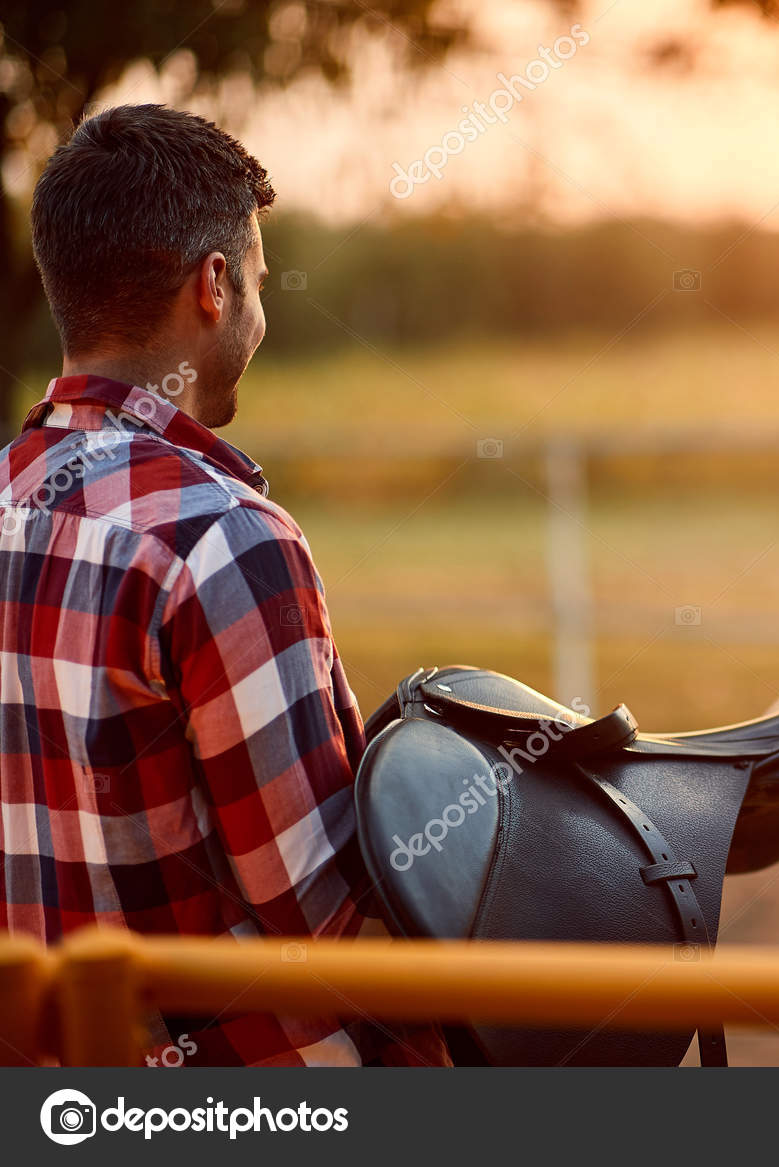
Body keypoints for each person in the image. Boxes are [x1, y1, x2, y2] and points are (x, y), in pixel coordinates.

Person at [0, 104, 445, 1066]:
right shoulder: (221, 539)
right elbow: (317, 912)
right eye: (257, 281)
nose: (262, 314)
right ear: (213, 286)